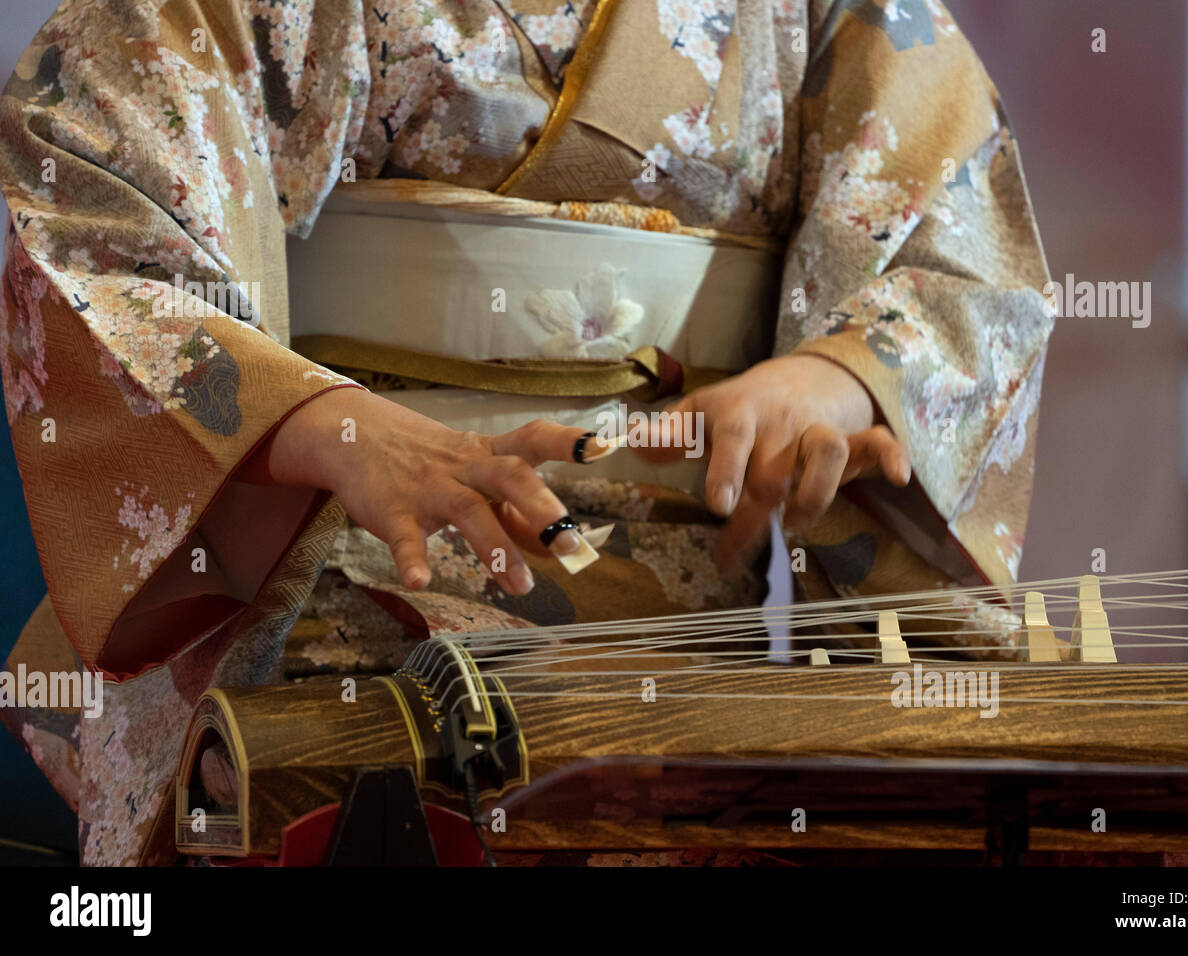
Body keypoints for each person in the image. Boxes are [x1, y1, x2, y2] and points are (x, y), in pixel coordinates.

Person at [0, 0, 1052, 865]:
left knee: (967, 787)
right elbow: (104, 228)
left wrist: (840, 378)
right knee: (385, 780)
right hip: (358, 556)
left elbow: (956, 243)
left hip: (711, 592)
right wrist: (334, 426)